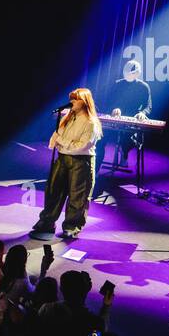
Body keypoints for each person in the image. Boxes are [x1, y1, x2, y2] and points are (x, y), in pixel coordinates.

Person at [30, 87, 103, 241]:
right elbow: (56, 136)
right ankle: (47, 222)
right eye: (71, 98)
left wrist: (62, 141)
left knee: (78, 196)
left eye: (75, 99)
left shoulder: (91, 123)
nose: (72, 102)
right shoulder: (68, 117)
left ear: (84, 102)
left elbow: (82, 146)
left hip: (81, 161)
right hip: (63, 158)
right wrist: (58, 142)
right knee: (54, 192)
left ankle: (72, 227)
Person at [101, 59, 152, 174]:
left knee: (130, 138)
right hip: (116, 117)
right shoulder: (118, 84)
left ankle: (124, 153)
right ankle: (97, 166)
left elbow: (148, 106)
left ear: (137, 73)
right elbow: (109, 102)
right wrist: (114, 108)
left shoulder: (144, 87)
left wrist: (142, 113)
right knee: (102, 136)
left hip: (134, 117)